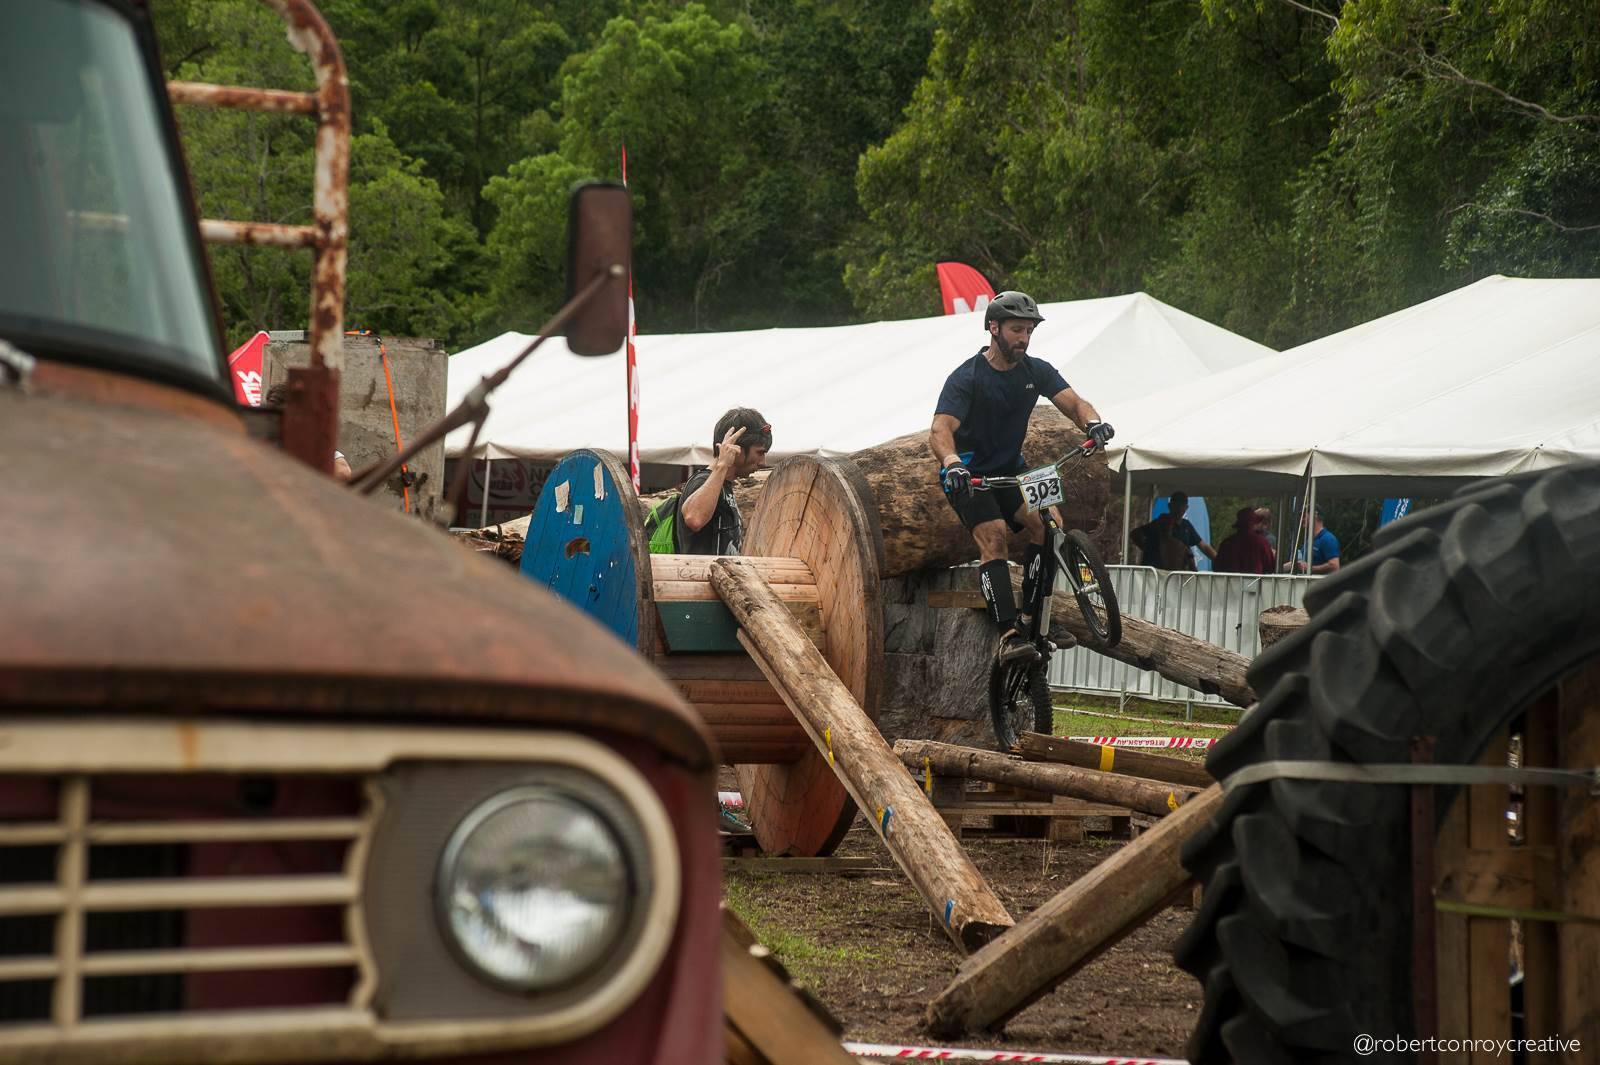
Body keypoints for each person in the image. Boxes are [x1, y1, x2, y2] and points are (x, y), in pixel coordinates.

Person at [929, 290, 1113, 664]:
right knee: (993, 537)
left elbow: (1074, 403)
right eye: (1017, 330)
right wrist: (951, 462)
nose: (1024, 338)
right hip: (969, 472)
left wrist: (1093, 423)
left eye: (1029, 331)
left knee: (1051, 526)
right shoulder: (967, 377)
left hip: (1013, 467)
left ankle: (1036, 615)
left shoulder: (1035, 369)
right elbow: (939, 429)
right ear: (993, 327)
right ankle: (1009, 633)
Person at [677, 408, 771, 555]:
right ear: (736, 447)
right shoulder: (702, 481)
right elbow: (694, 519)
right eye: (760, 453)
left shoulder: (724, 485)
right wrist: (723, 465)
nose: (763, 462)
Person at [1130, 491, 1216, 571]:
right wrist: (1147, 548)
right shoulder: (1159, 523)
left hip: (1176, 573)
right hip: (1156, 571)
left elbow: (1203, 546)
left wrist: (1219, 559)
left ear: (1186, 508)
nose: (1179, 510)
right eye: (1176, 506)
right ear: (1170, 506)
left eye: (1181, 507)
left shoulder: (1186, 526)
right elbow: (1135, 534)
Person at [1214, 506, 1276, 574]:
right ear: (1253, 524)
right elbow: (1270, 568)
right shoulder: (1262, 543)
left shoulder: (1226, 544)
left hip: (1230, 583)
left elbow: (1217, 568)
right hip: (1256, 583)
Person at [1287, 507, 1341, 574]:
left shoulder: (1328, 539)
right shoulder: (1308, 540)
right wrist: (1283, 567)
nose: (1301, 519)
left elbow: (1334, 566)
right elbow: (1301, 563)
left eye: (1304, 516)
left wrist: (1310, 568)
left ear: (1315, 514)